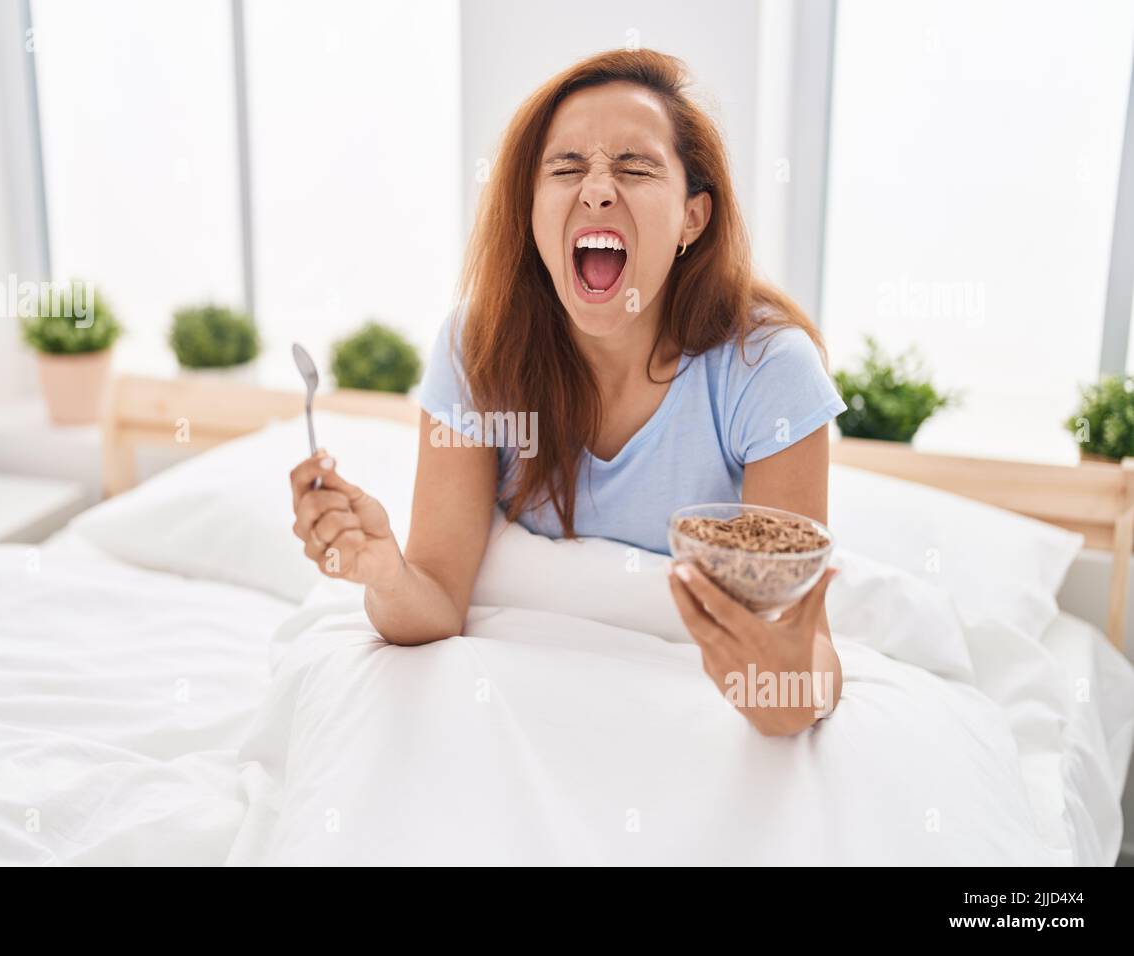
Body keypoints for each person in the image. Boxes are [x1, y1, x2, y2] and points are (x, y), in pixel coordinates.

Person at [289, 49, 848, 736]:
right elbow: (432, 603)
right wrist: (382, 571)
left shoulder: (769, 369)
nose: (597, 189)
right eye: (566, 167)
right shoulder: (480, 347)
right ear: (531, 209)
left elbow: (802, 648)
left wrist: (783, 687)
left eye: (635, 166)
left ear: (693, 219)